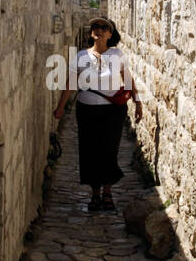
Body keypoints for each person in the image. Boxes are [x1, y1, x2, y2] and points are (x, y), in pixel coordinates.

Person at [52, 16, 143, 210]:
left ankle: (107, 192)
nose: (99, 30)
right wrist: (61, 106)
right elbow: (71, 82)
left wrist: (138, 101)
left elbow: (127, 79)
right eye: (95, 27)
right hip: (87, 109)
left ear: (110, 34)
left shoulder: (117, 54)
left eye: (104, 27)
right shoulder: (81, 56)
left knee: (109, 151)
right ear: (90, 32)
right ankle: (95, 194)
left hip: (113, 111)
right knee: (90, 151)